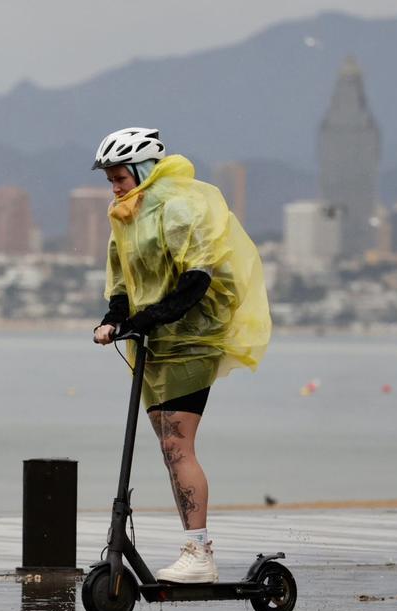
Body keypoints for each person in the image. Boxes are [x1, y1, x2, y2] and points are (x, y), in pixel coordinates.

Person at [91, 127, 271, 584]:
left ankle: (199, 552)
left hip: (192, 336)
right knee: (168, 448)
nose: (114, 188)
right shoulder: (124, 216)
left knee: (176, 445)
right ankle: (193, 548)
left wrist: (149, 317)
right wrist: (113, 319)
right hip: (154, 341)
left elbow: (197, 280)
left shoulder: (178, 206)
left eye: (120, 178)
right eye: (110, 180)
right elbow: (121, 282)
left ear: (143, 171)